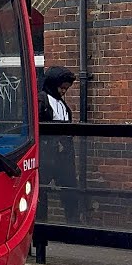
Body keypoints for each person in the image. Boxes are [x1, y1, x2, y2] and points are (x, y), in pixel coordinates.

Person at [36, 66, 83, 224]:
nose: (64, 91)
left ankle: (73, 223)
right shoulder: (42, 100)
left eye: (66, 88)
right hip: (46, 155)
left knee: (70, 190)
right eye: (62, 87)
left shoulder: (61, 104)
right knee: (41, 191)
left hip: (63, 156)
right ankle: (42, 225)